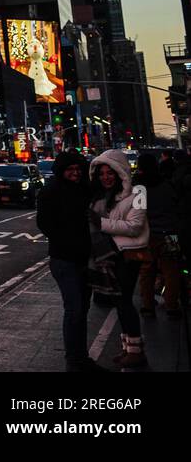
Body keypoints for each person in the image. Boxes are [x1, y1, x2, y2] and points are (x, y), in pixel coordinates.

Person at [37, 150, 103, 371]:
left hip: (85, 258)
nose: (75, 173)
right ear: (61, 171)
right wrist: (65, 238)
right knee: (74, 309)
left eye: (78, 169)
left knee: (82, 309)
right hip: (64, 259)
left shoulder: (86, 189)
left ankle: (81, 358)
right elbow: (44, 223)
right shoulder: (51, 191)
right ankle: (74, 362)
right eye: (70, 170)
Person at [90, 149, 150, 369]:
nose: (106, 177)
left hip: (127, 255)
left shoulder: (138, 193)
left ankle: (136, 351)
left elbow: (134, 227)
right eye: (102, 173)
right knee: (118, 302)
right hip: (109, 257)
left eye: (110, 172)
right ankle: (128, 348)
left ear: (121, 172)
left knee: (124, 302)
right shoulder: (103, 197)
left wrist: (101, 223)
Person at [135, 152, 183, 318]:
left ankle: (148, 306)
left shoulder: (139, 188)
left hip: (148, 235)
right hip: (170, 233)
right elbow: (175, 205)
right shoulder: (166, 184)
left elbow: (138, 213)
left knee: (146, 271)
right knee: (171, 271)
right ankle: (172, 304)